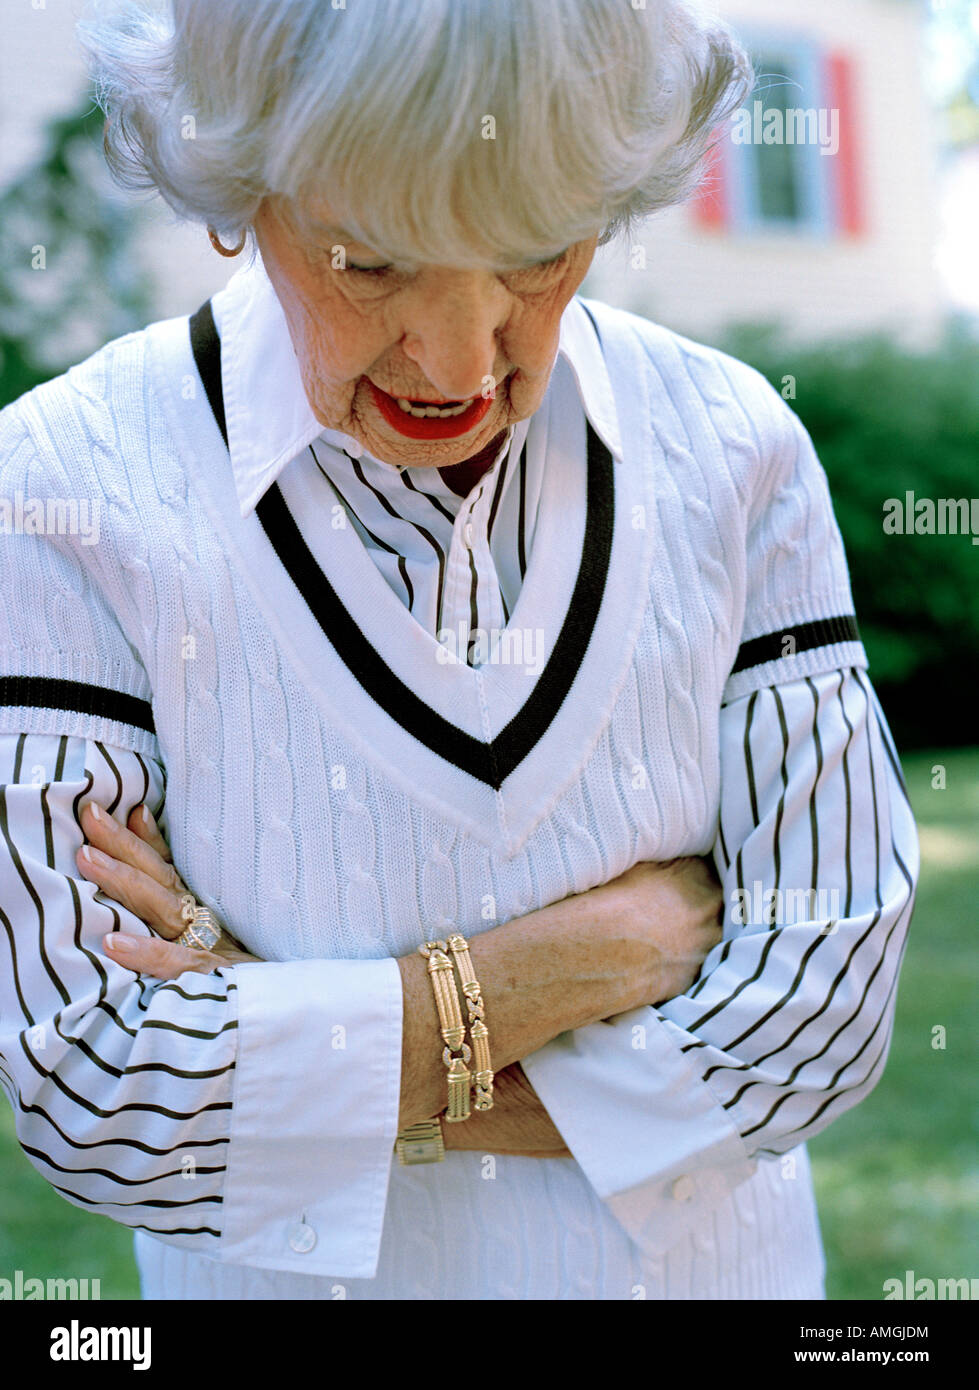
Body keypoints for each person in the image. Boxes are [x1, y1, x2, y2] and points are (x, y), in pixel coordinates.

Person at [0, 0, 917, 1300]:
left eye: (539, 254)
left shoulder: (734, 446)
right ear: (236, 194)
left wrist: (296, 1038)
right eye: (369, 262)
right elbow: (107, 1097)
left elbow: (819, 1026)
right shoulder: (64, 484)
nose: (459, 360)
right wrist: (561, 967)